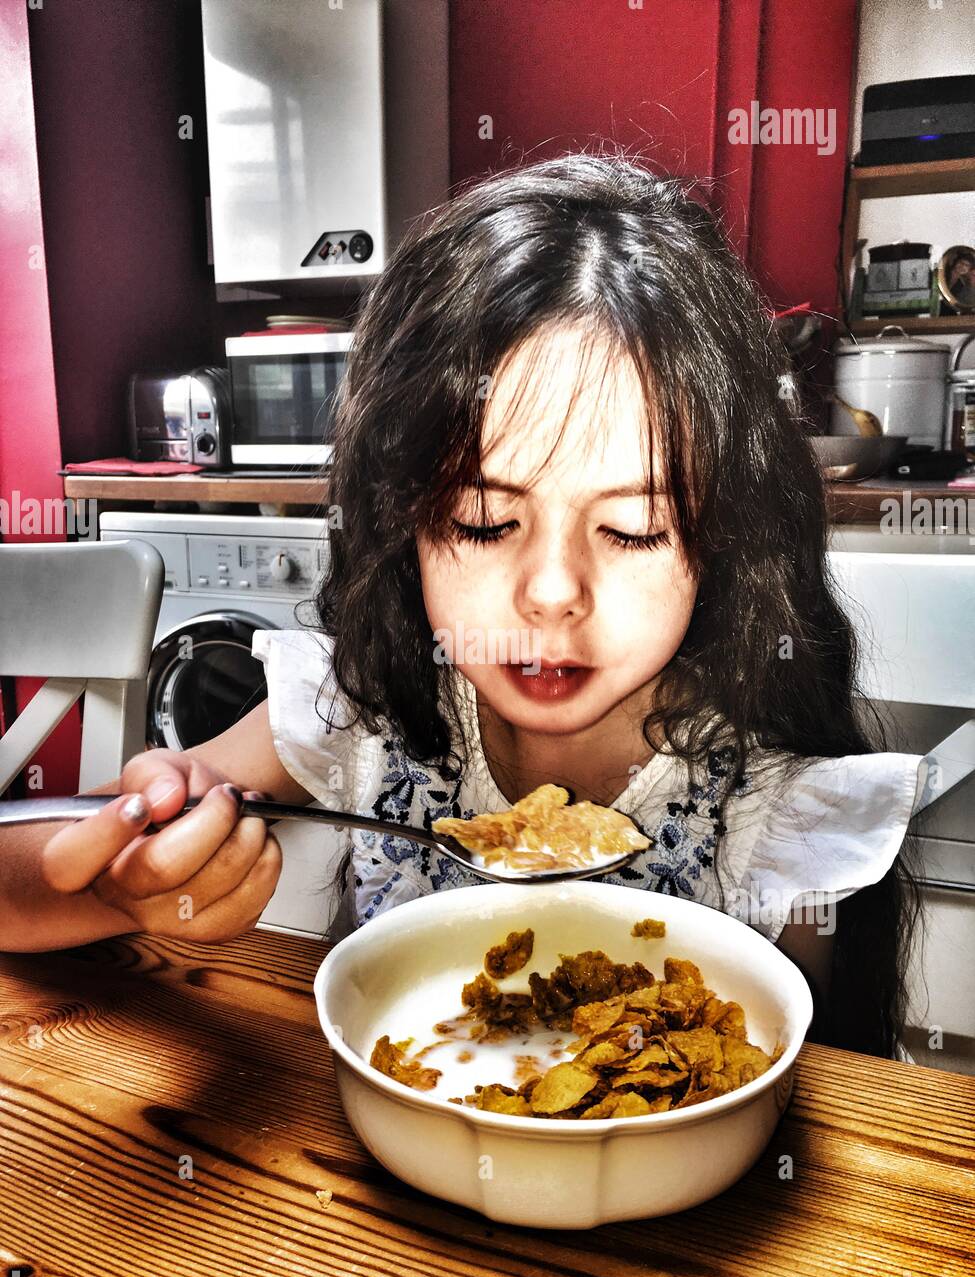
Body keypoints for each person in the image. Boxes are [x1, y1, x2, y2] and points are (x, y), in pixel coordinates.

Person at [1, 153, 924, 1060]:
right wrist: (122, 882)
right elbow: (26, 886)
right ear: (403, 520)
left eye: (635, 529)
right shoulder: (372, 704)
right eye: (485, 522)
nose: (552, 592)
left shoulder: (769, 804)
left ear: (721, 544)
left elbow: (794, 1088)